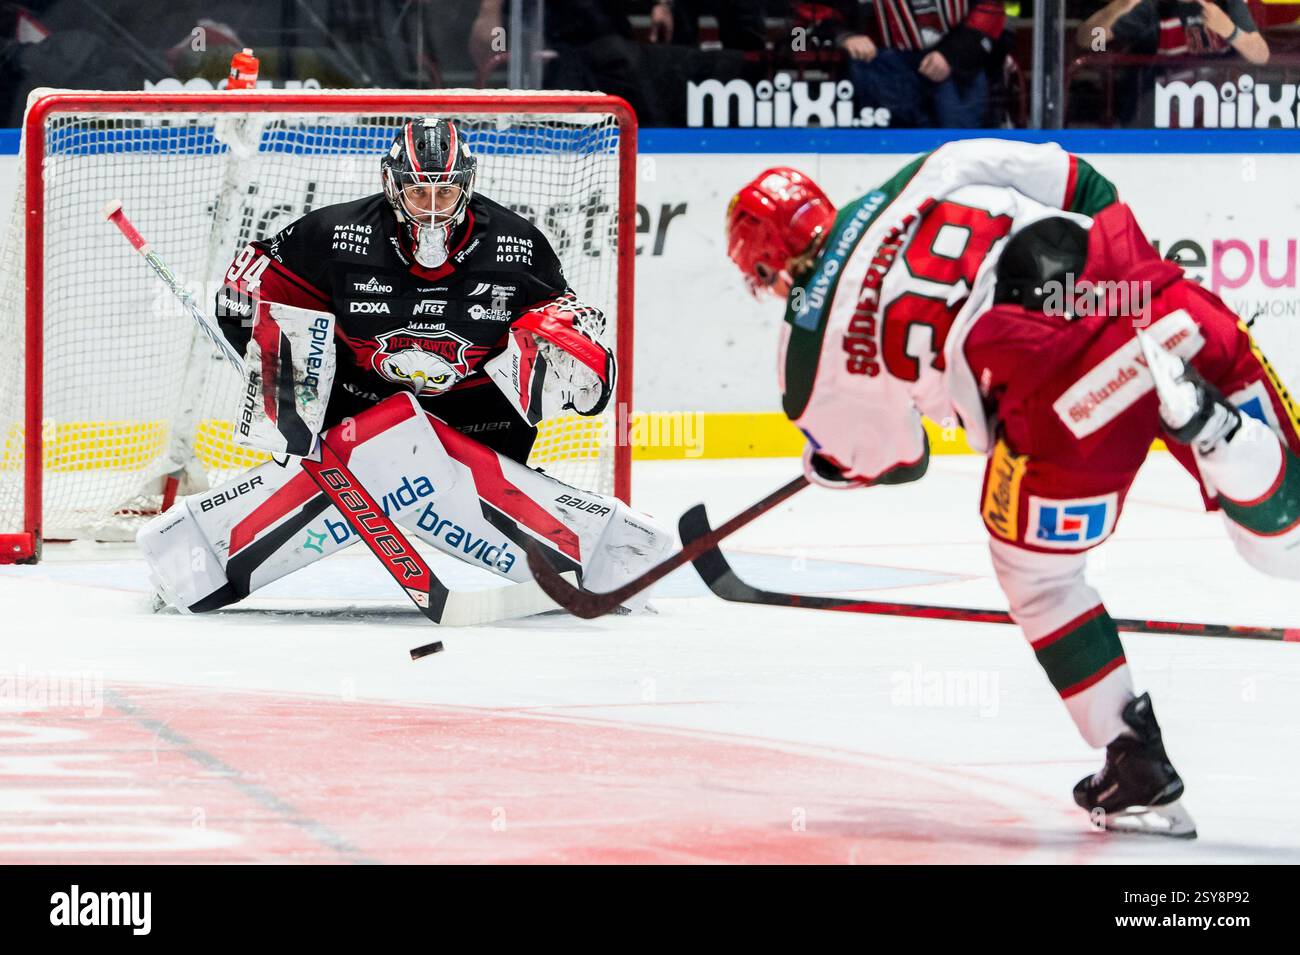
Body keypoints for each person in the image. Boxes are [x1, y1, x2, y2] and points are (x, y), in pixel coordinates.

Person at [723, 139, 1300, 836]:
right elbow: (1089, 186)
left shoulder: (805, 361)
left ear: (767, 265)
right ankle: (1217, 430)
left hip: (1062, 400)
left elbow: (901, 460)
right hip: (1150, 297)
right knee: (1282, 547)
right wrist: (1102, 294)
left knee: (1036, 576)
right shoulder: (934, 166)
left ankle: (1135, 757)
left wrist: (835, 464)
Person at [138, 118, 670, 615]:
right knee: (378, 439)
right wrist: (242, 312)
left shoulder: (517, 244)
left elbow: (561, 331)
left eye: (445, 191)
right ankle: (200, 556)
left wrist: (574, 358)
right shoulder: (335, 234)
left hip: (479, 422)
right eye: (419, 191)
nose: (432, 207)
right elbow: (255, 277)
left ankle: (600, 555)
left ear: (467, 184)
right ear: (393, 186)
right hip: (361, 409)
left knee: (428, 461)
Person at [816, 0, 1006, 127]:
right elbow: (814, 14)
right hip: (888, 67)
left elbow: (991, 9)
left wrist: (953, 53)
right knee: (892, 147)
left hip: (959, 69)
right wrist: (846, 35)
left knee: (960, 147)